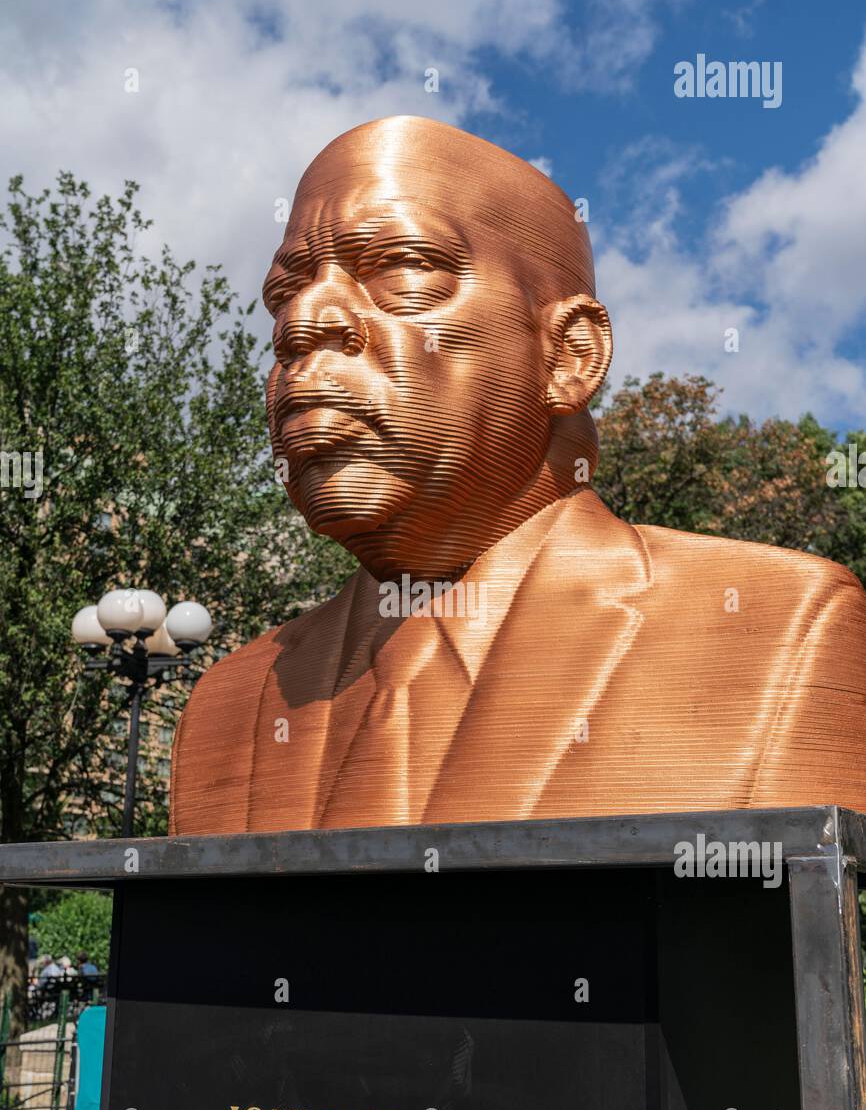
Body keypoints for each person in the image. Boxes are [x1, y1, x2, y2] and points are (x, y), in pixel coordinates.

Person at [169, 116, 866, 833]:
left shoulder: (777, 633)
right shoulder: (231, 704)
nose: (302, 321)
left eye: (404, 267)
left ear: (569, 355)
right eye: (284, 295)